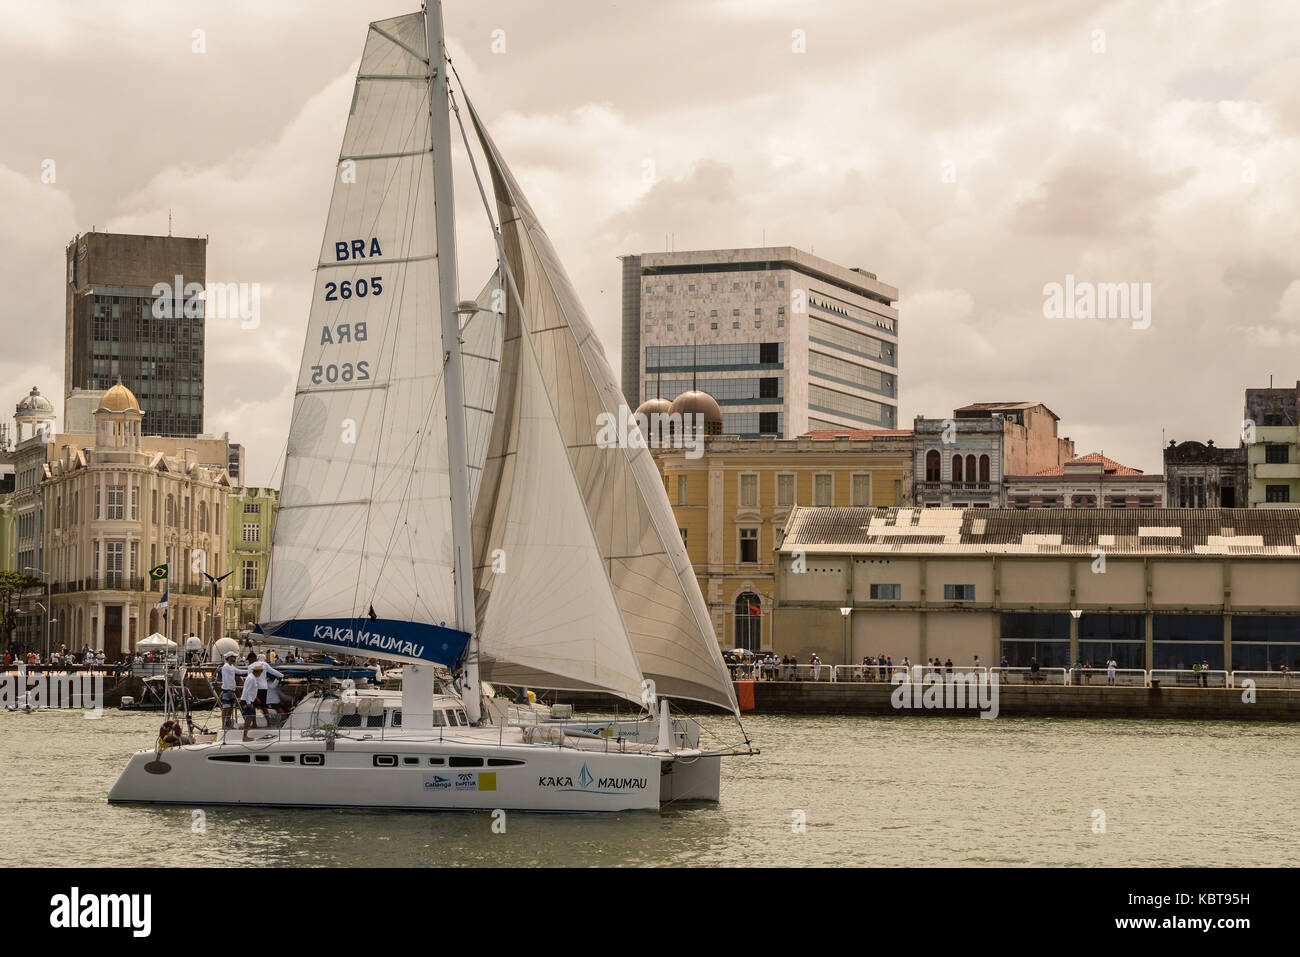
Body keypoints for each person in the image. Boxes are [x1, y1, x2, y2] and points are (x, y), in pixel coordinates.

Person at [219, 651, 244, 730]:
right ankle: (223, 725)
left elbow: (239, 672)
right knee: (225, 708)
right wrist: (229, 689)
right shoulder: (226, 667)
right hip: (227, 690)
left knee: (230, 708)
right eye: (234, 657)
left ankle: (228, 723)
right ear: (229, 658)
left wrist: (249, 671)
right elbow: (225, 679)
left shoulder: (232, 666)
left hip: (232, 690)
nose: (235, 658)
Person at [240, 661, 264, 741]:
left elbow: (252, 690)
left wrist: (256, 698)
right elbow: (247, 691)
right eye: (261, 671)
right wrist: (248, 703)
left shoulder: (253, 677)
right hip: (246, 700)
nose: (261, 673)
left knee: (250, 716)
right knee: (249, 718)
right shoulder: (251, 678)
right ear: (257, 671)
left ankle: (245, 735)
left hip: (249, 700)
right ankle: (244, 736)